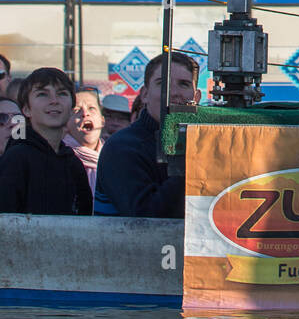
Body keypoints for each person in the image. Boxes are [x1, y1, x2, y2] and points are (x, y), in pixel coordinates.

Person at [94, 51, 200, 218]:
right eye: (162, 83)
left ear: (197, 97)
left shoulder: (201, 143)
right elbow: (144, 215)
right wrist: (192, 164)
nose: (173, 92)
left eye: (184, 84)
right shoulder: (121, 147)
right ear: (144, 94)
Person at [0, 67, 93, 214]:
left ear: (71, 108)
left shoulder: (74, 163)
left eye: (62, 93)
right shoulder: (15, 159)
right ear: (26, 109)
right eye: (42, 94)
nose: (54, 101)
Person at [64, 87, 106, 195]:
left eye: (91, 108)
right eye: (76, 110)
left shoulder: (115, 157)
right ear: (66, 123)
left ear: (102, 121)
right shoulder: (59, 158)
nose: (85, 113)